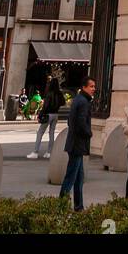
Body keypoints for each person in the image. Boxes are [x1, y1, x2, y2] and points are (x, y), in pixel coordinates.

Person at [59, 76, 95, 211]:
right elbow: (81, 123)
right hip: (77, 145)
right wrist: (89, 133)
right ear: (84, 87)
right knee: (71, 177)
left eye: (94, 86)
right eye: (91, 86)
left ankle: (79, 206)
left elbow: (70, 121)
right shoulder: (84, 102)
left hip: (74, 144)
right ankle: (61, 205)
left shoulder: (78, 100)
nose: (93, 89)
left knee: (79, 178)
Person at [27, 75, 65, 159]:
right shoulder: (59, 93)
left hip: (48, 114)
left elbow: (45, 106)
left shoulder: (49, 93)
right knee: (51, 133)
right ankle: (49, 152)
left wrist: (40, 115)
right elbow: (63, 102)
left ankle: (35, 152)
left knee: (40, 132)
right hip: (55, 114)